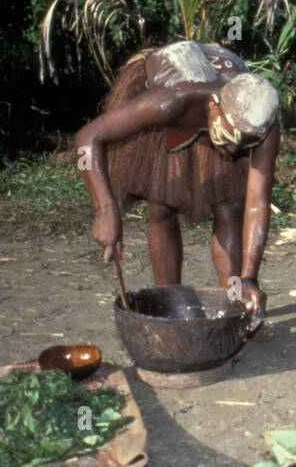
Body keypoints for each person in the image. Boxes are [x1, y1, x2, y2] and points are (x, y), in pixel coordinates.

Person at [75, 40, 279, 332]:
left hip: (219, 101)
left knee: (231, 205)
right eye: (227, 138)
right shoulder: (170, 101)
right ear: (213, 106)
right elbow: (86, 139)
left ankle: (235, 300)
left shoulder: (263, 118)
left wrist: (249, 278)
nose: (233, 153)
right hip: (174, 88)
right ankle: (168, 304)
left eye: (243, 145)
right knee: (162, 203)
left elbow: (257, 201)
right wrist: (104, 208)